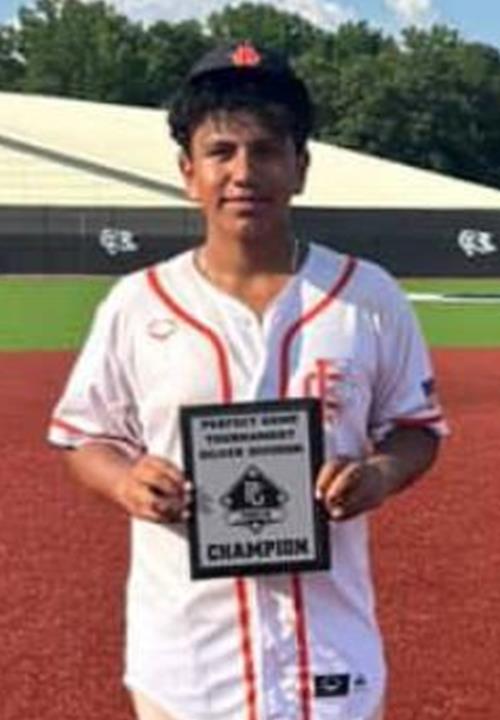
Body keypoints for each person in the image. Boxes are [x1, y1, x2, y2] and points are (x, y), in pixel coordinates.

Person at [48, 41, 447, 720]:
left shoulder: (366, 295)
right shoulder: (138, 302)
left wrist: (380, 473)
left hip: (331, 648)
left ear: (300, 167)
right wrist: (125, 481)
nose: (244, 172)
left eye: (266, 151)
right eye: (221, 151)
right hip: (187, 656)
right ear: (188, 172)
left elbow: (416, 427)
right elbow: (85, 436)